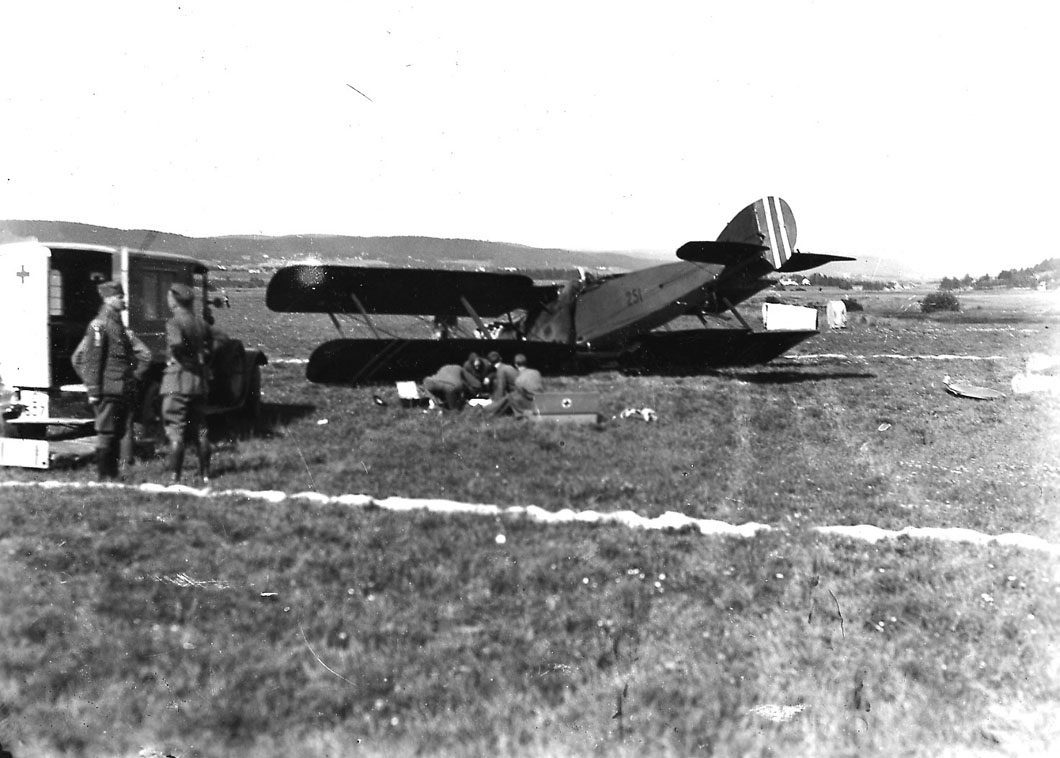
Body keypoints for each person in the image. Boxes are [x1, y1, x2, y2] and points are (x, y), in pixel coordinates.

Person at [80, 280, 150, 480]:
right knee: (106, 433)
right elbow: (92, 361)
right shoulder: (99, 325)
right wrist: (93, 391)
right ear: (108, 299)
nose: (123, 301)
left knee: (117, 432)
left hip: (120, 388)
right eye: (120, 297)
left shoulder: (116, 324)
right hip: (108, 389)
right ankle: (105, 477)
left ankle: (112, 475)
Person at [161, 282, 213, 483]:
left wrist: (182, 358)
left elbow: (176, 344)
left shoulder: (174, 322)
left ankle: (175, 477)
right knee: (201, 428)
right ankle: (205, 474)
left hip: (178, 380)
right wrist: (200, 359)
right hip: (198, 382)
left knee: (176, 430)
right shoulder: (200, 323)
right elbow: (213, 343)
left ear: (174, 299)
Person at [491, 353, 544, 417]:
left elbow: (520, 396)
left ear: (516, 365)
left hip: (530, 404)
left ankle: (491, 412)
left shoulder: (518, 380)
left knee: (511, 397)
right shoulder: (536, 372)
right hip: (541, 400)